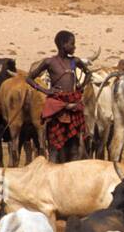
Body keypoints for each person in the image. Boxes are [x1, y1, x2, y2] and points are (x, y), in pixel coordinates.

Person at [26, 30, 90, 163]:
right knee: (55, 147)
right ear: (62, 44)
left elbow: (88, 73)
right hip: (57, 107)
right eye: (72, 44)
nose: (74, 47)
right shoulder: (49, 62)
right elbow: (29, 78)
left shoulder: (74, 61)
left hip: (72, 106)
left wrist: (81, 86)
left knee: (73, 147)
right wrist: (45, 90)